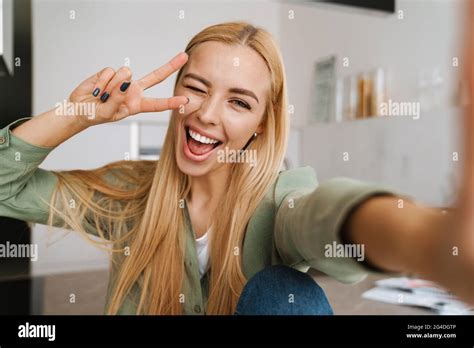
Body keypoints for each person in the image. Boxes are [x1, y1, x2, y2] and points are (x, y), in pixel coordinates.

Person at [0, 20, 472, 315]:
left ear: (261, 125)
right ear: (173, 94)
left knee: (283, 291)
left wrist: (425, 240)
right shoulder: (129, 195)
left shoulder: (281, 200)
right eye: (197, 88)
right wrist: (81, 113)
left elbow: (322, 215)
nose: (207, 114)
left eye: (239, 102)